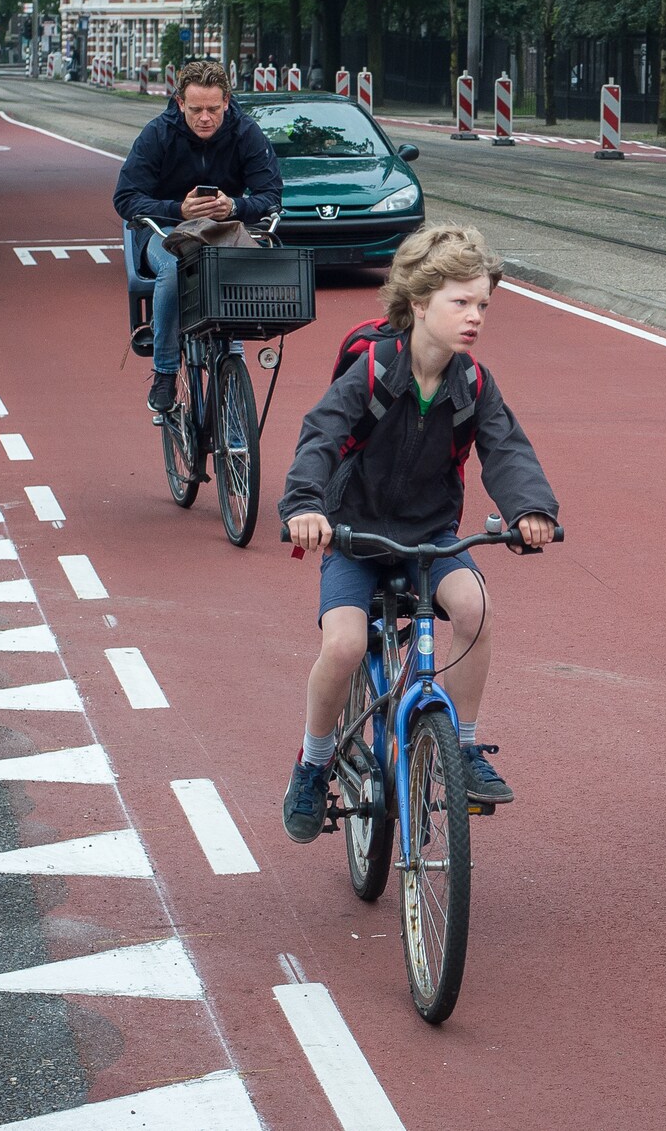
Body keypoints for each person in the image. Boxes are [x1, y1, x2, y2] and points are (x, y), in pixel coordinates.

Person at [276, 225, 560, 839]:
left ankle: (460, 748)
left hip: (430, 540)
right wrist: (306, 506)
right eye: (460, 302)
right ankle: (314, 762)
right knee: (346, 647)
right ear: (418, 303)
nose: (475, 316)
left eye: (483, 303)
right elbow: (321, 435)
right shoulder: (375, 369)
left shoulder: (473, 384)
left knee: (476, 610)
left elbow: (506, 449)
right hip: (354, 538)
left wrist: (529, 510)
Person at [111, 60, 284, 413]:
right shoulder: (157, 134)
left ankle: (232, 360)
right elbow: (126, 198)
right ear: (179, 104)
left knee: (236, 265)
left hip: (223, 232)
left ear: (227, 102)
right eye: (195, 110)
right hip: (165, 230)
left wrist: (234, 206)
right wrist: (179, 210)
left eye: (213, 109)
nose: (205, 118)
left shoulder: (246, 133)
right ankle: (164, 371)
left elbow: (271, 196)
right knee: (177, 266)